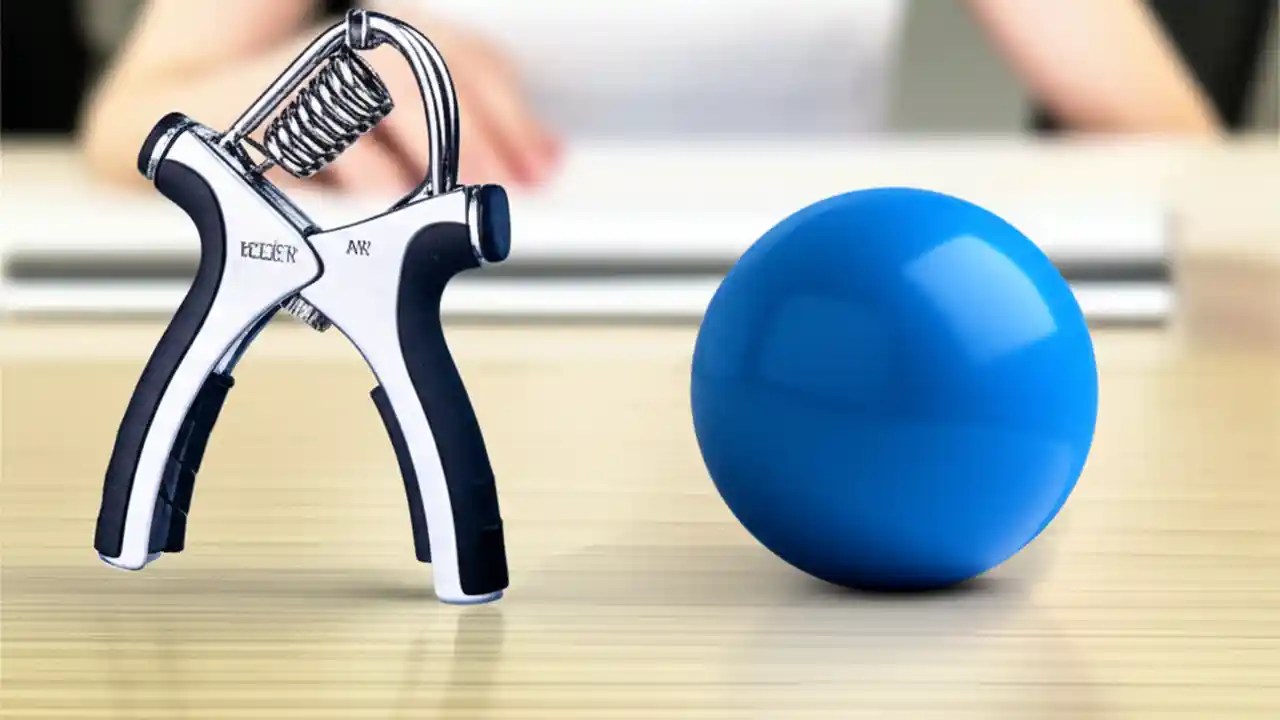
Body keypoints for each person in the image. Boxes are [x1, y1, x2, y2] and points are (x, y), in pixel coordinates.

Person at [79, 0, 1219, 195]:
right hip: (449, 308)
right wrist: (315, 79)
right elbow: (128, 116)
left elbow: (1179, 150)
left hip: (825, 323)